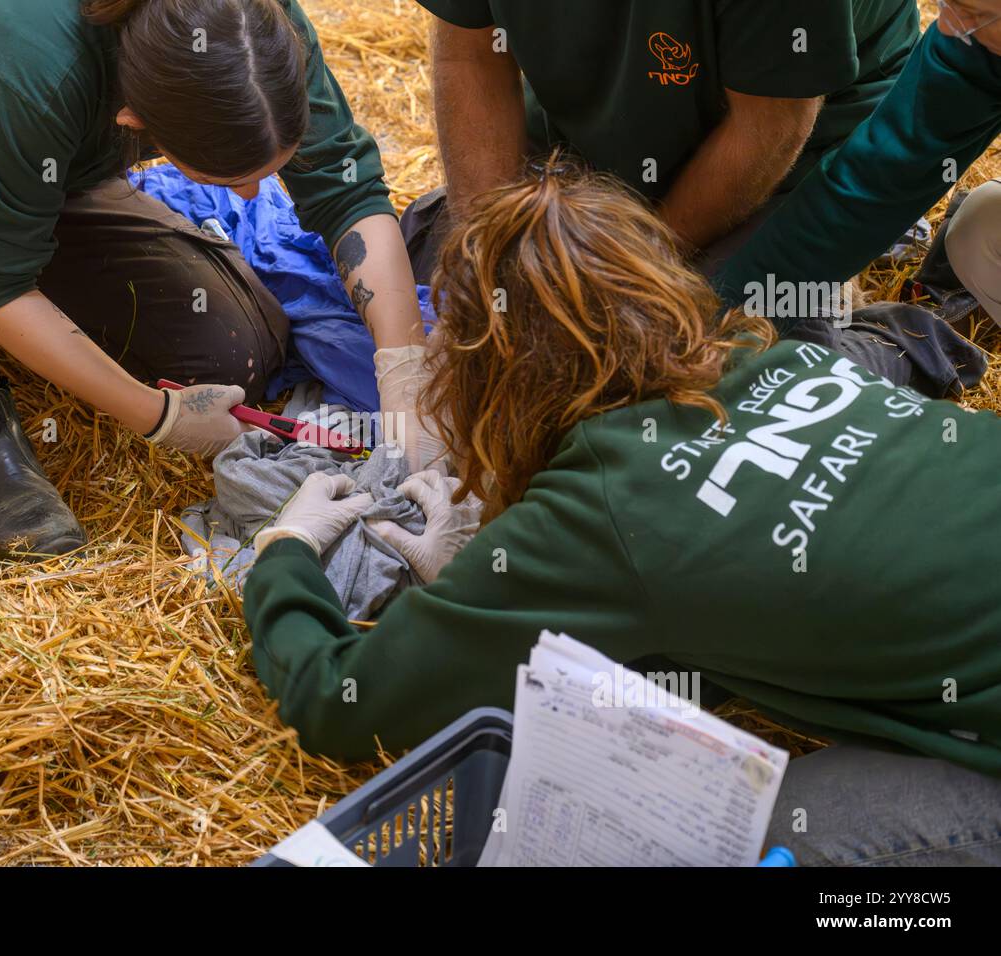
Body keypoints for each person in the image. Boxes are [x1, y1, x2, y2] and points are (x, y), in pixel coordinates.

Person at [241, 166, 1001, 863]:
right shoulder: (776, 357)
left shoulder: (600, 509)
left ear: (489, 376)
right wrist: (498, 594)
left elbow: (337, 702)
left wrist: (286, 550)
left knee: (733, 840)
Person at [0, 0, 438, 560]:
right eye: (232, 180)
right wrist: (154, 416)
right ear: (133, 122)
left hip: (41, 182)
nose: (254, 196)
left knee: (234, 352)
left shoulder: (257, 29)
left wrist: (405, 367)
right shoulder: (33, 50)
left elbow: (346, 188)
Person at [401, 0, 921, 282]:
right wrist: (485, 252)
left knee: (698, 343)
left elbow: (771, 125)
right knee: (438, 264)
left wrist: (632, 271)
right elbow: (471, 52)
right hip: (613, 99)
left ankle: (896, 340)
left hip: (802, 136)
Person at [715, 2, 1001, 329]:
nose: (947, 26)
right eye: (946, 4)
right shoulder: (966, 39)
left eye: (976, 15)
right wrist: (730, 306)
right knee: (977, 230)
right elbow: (879, 176)